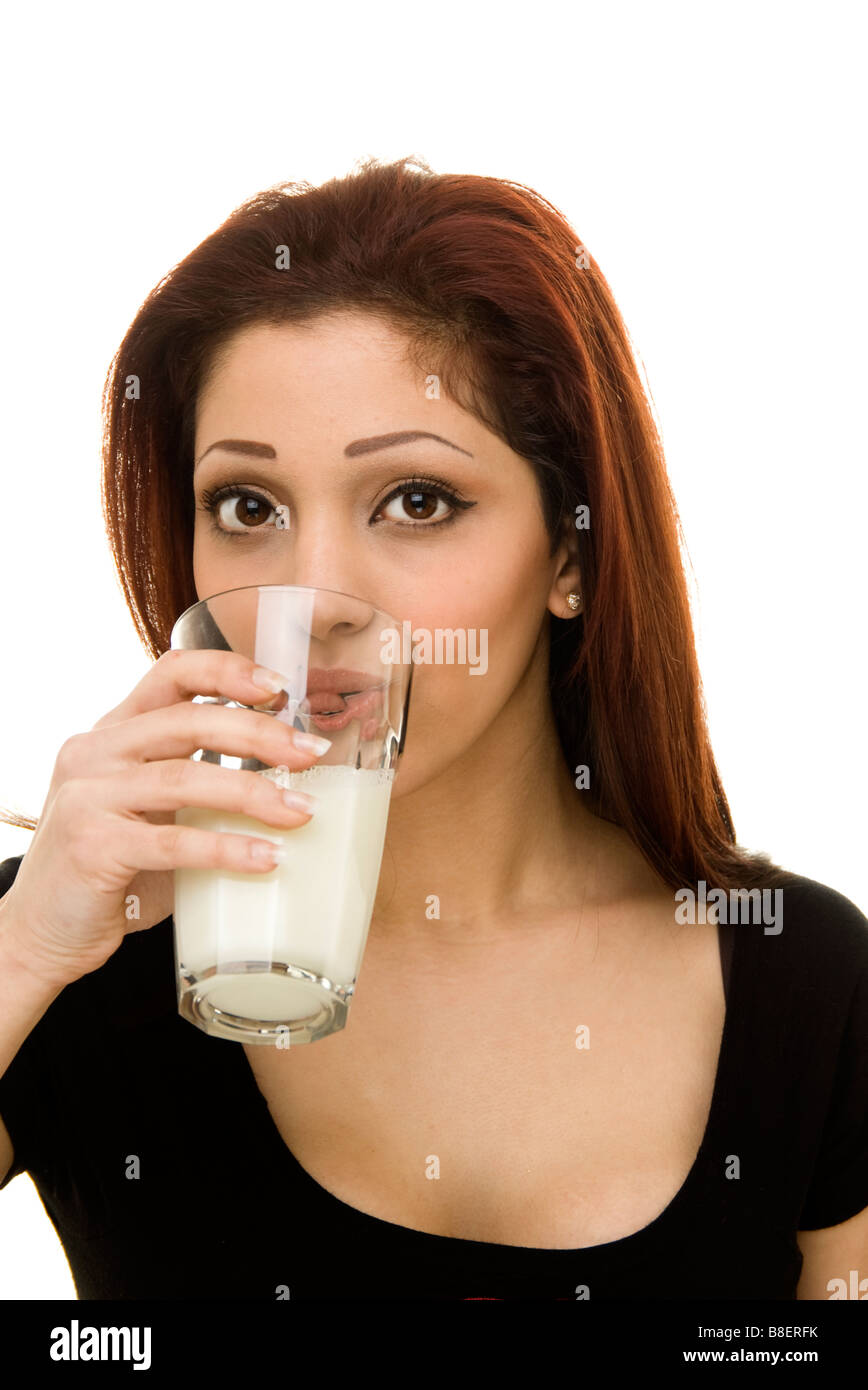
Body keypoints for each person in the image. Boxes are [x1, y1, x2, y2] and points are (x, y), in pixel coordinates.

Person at [0, 155, 866, 1301]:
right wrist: (24, 950)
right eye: (247, 507)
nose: (315, 602)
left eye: (416, 500)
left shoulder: (800, 982)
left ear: (569, 551)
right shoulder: (72, 952)